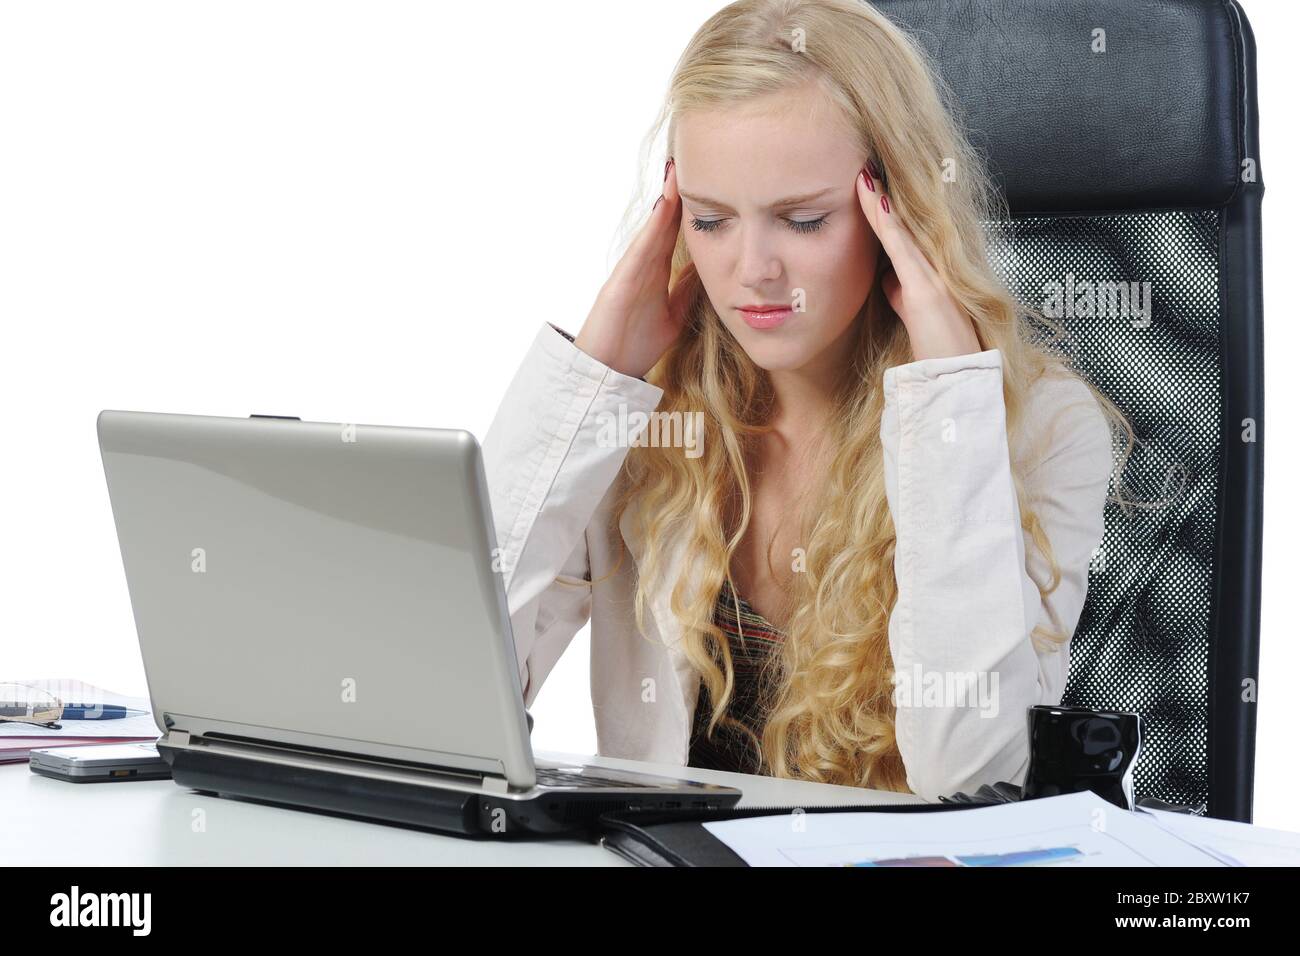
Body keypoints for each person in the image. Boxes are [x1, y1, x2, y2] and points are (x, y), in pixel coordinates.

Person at [482, 0, 1135, 801]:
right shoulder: (644, 414)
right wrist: (587, 382)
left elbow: (969, 784)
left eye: (802, 219)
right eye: (711, 220)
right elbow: (458, 708)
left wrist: (945, 413)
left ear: (896, 212)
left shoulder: (1038, 429)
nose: (752, 270)